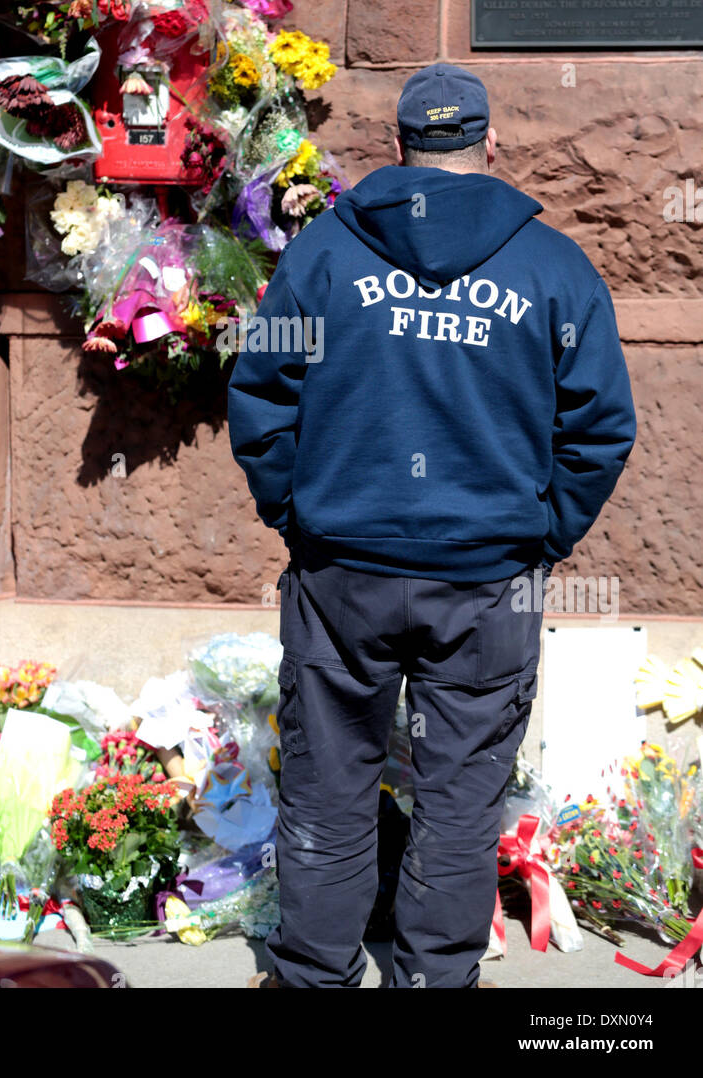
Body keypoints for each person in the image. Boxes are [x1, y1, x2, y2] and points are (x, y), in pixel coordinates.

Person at [227, 62, 636, 988]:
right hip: (486, 580)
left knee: (330, 796)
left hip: (345, 575)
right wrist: (537, 537)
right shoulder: (552, 267)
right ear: (490, 145)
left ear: (397, 149)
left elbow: (260, 399)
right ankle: (439, 979)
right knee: (459, 802)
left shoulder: (326, 256)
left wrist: (304, 516)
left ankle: (313, 977)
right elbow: (600, 428)